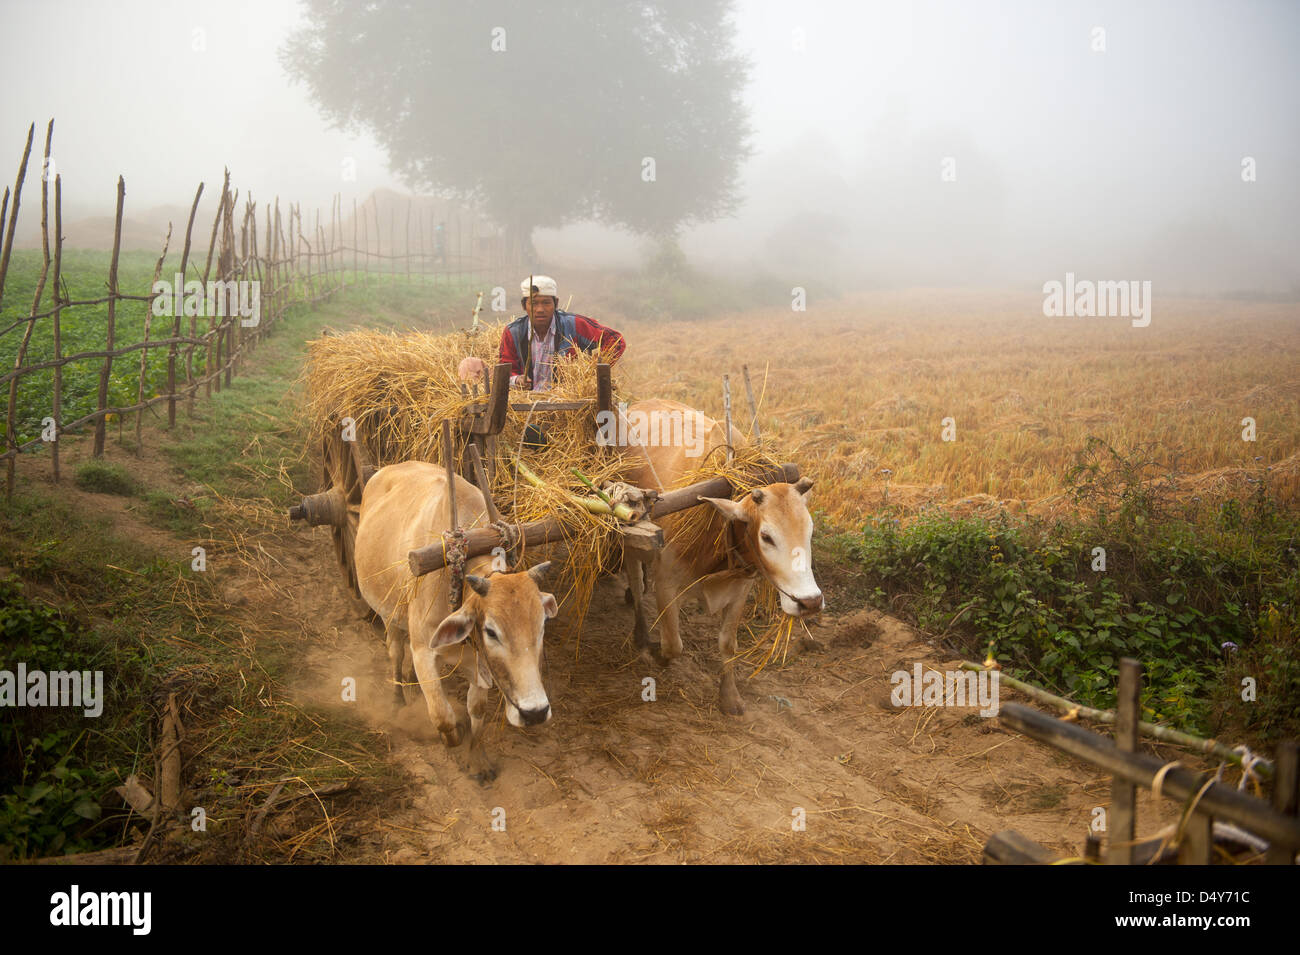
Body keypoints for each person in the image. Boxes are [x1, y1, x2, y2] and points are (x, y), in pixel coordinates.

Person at [499, 275, 625, 391]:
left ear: (556, 303)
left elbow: (615, 340)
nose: (540, 309)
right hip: (525, 404)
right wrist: (516, 380)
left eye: (546, 303)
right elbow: (505, 370)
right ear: (524, 305)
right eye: (533, 303)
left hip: (569, 401)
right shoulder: (513, 332)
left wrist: (591, 372)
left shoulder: (574, 325)